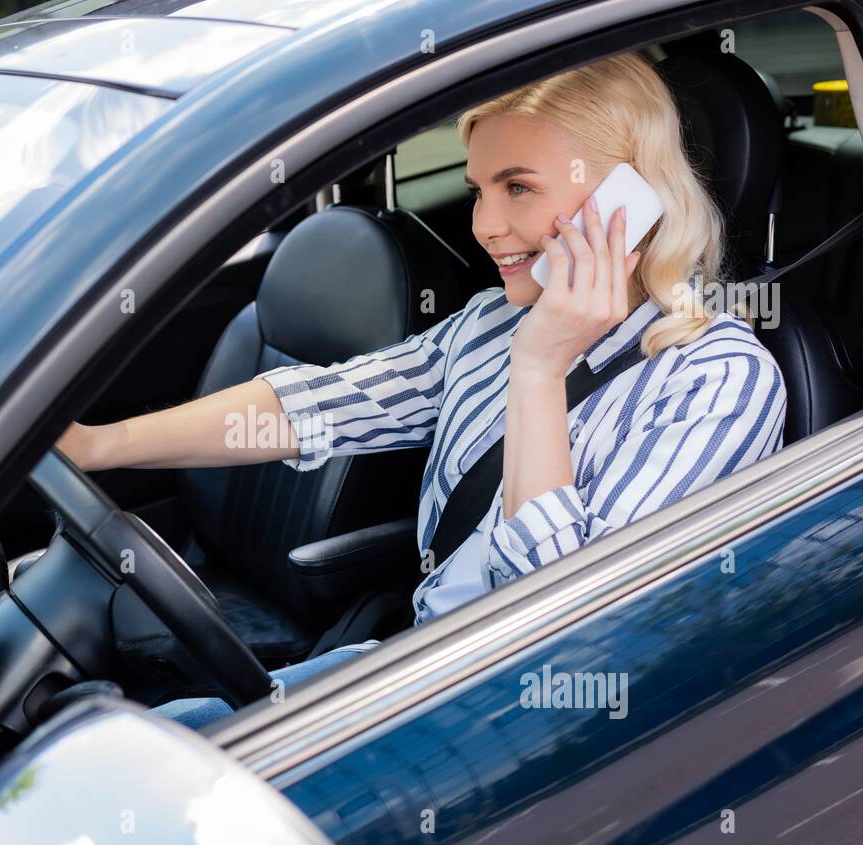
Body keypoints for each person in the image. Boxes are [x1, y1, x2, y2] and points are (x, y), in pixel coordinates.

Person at [56, 52, 787, 728]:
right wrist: (98, 445)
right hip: (423, 667)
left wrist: (538, 369)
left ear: (628, 200)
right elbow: (316, 406)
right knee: (130, 740)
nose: (484, 226)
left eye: (519, 188)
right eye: (478, 189)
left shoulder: (718, 380)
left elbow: (570, 630)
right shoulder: (488, 324)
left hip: (524, 717)